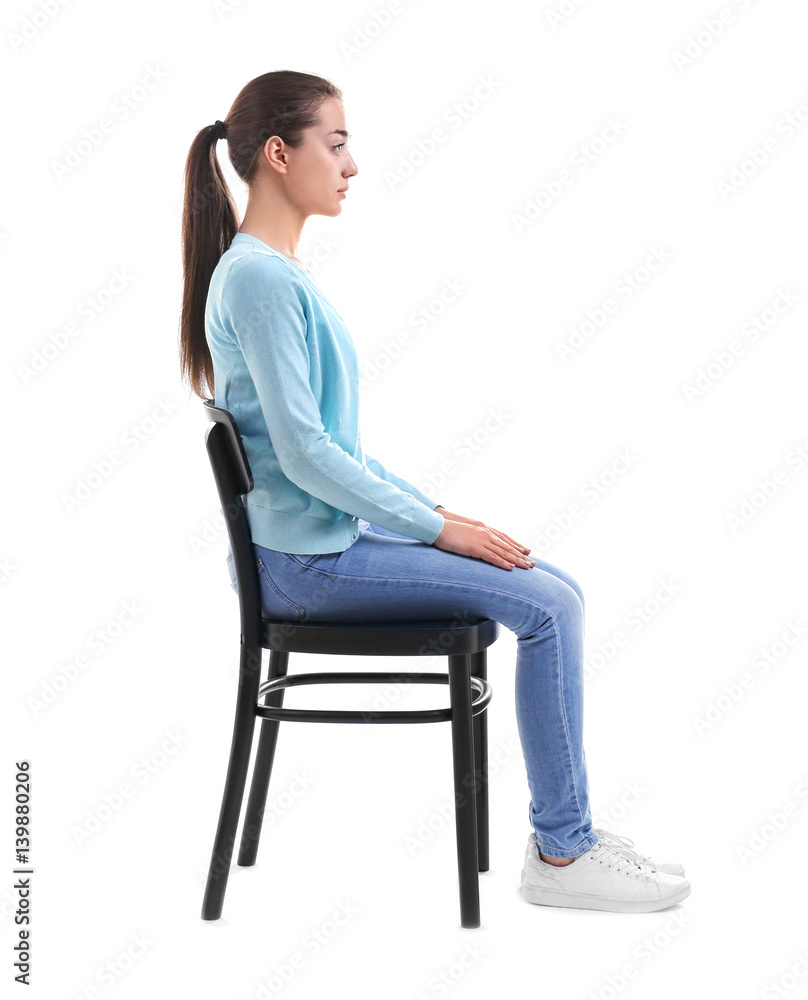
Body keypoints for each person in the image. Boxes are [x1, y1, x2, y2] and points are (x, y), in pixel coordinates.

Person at [178, 69, 690, 913]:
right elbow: (306, 457)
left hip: (316, 545)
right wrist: (431, 529)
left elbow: (332, 448)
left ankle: (572, 839)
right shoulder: (261, 280)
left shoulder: (272, 273)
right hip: (304, 566)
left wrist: (436, 517)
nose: (351, 165)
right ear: (279, 153)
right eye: (335, 144)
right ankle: (565, 856)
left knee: (557, 591)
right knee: (552, 609)